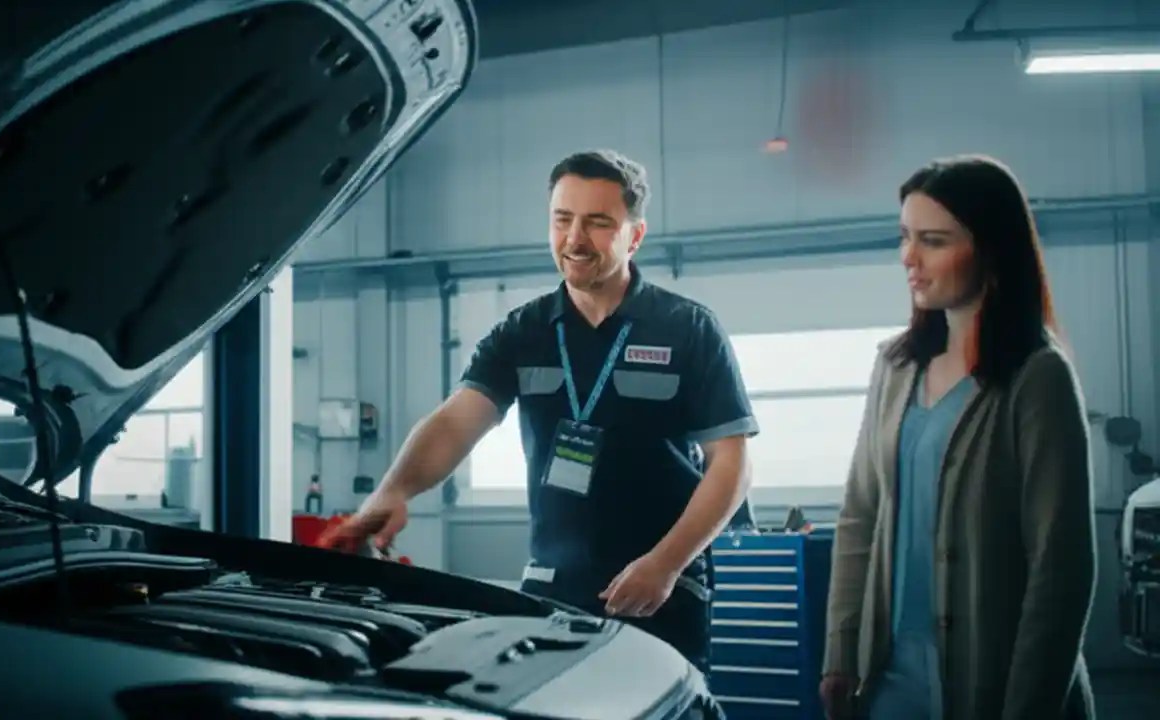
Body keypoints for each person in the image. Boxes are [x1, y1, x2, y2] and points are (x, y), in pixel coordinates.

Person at [321, 149, 758, 672]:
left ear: (634, 236)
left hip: (660, 587)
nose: (574, 239)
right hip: (553, 587)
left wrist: (666, 564)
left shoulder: (688, 329)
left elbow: (732, 463)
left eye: (598, 223)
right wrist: (392, 491)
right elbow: (456, 421)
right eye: (562, 219)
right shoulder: (523, 333)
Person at [819, 154, 1097, 720]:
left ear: (991, 251)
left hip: (991, 683)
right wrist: (840, 653)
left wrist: (1029, 707)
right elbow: (860, 518)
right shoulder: (895, 367)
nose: (909, 259)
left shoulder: (1036, 376)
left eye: (934, 241)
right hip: (889, 678)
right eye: (905, 237)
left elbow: (1061, 566)